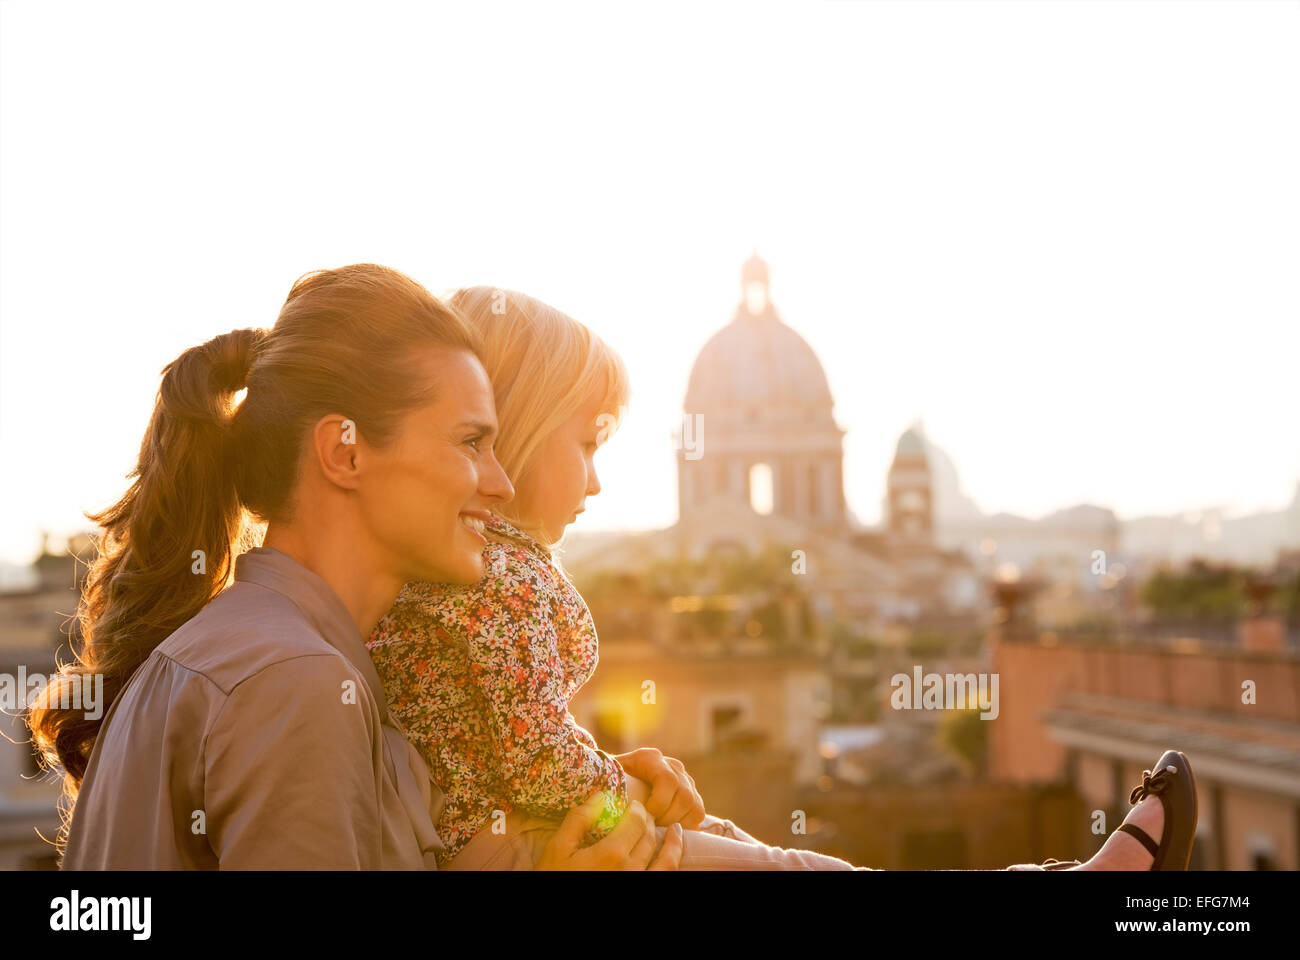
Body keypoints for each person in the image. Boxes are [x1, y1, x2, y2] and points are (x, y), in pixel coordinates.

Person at [366, 286, 1187, 871]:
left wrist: (623, 784)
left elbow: (516, 736)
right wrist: (626, 795)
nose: (598, 482)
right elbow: (531, 754)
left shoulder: (464, 573)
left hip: (531, 831)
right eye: (586, 447)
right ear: (517, 435)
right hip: (536, 841)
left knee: (751, 848)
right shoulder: (500, 579)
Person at [26, 264, 681, 870]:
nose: (500, 483)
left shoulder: (266, 656)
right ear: (344, 455)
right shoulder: (295, 682)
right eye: (470, 443)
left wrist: (590, 791)